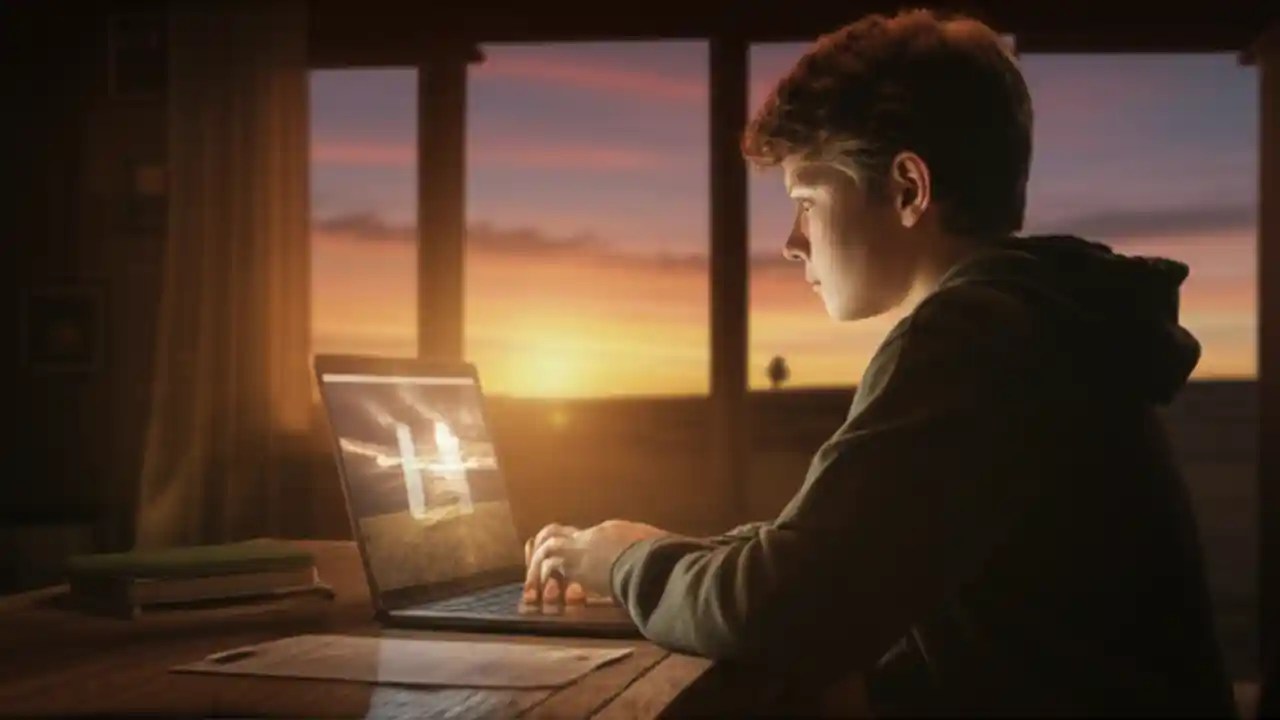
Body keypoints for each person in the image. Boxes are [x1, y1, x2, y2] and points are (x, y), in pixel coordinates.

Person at [521, 8, 1236, 716]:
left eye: (807, 200)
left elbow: (785, 607)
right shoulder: (1040, 323)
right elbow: (838, 559)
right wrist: (670, 552)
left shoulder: (973, 337)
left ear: (906, 189)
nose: (792, 242)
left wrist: (619, 564)